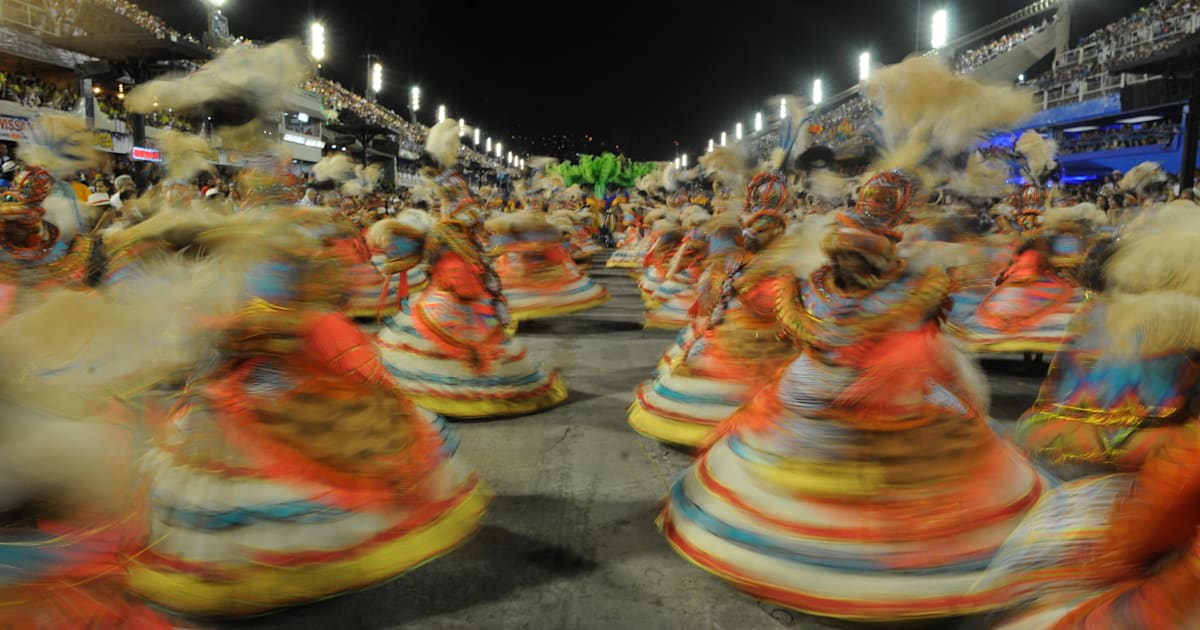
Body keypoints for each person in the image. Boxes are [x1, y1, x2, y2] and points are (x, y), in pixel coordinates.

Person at [658, 170, 1046, 621]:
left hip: (818, 391)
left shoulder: (809, 288)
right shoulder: (898, 290)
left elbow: (795, 324)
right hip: (859, 395)